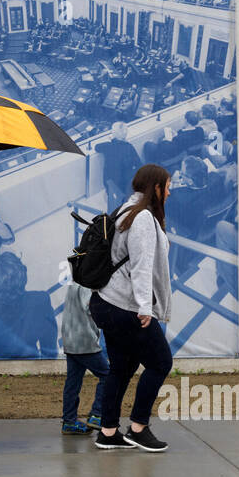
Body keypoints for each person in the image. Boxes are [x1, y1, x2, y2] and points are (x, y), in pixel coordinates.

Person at [89, 163, 174, 452]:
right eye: (168, 186)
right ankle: (138, 428)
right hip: (124, 306)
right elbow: (141, 266)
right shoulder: (142, 219)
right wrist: (144, 308)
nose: (170, 192)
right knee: (161, 362)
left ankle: (108, 432)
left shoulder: (125, 210)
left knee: (122, 368)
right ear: (156, 187)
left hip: (107, 301)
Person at [60, 282, 108, 434]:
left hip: (70, 341)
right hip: (85, 342)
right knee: (108, 375)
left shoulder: (72, 285)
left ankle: (69, 422)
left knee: (72, 382)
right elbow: (91, 307)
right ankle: (97, 414)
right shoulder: (88, 287)